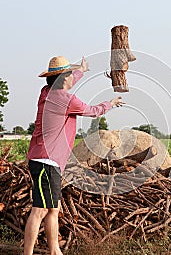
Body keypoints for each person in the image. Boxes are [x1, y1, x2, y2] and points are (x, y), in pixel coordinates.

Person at [24, 55, 124, 255]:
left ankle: (55, 251)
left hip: (43, 159)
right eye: (69, 75)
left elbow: (67, 79)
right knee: (39, 211)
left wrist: (81, 69)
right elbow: (92, 111)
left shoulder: (46, 92)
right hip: (46, 161)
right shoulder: (65, 100)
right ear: (63, 78)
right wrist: (110, 103)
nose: (72, 78)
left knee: (53, 209)